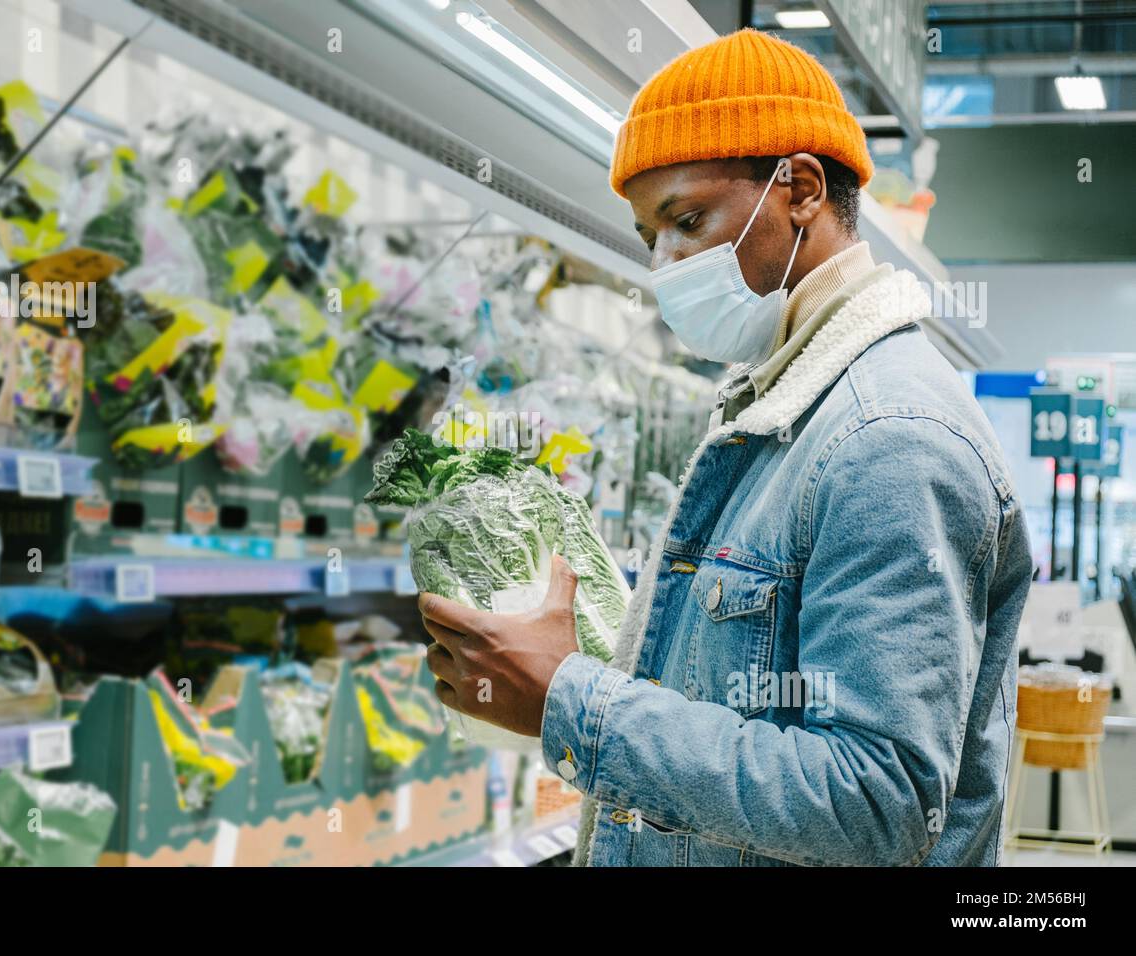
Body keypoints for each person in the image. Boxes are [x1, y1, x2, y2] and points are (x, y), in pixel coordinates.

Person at [418, 28, 1032, 866]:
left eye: (688, 219)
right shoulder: (776, 413)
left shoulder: (889, 437)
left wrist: (569, 699)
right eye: (649, 237)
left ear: (803, 189)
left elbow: (874, 804)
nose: (665, 264)